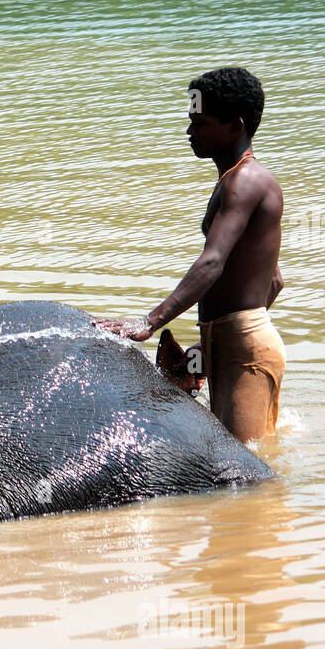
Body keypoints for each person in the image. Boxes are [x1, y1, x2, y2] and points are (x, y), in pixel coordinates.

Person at [95, 67, 285, 442]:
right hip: (236, 343)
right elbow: (274, 280)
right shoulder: (235, 179)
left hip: (244, 351)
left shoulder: (245, 182)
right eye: (190, 121)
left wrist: (149, 322)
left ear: (235, 126)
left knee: (244, 476)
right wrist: (208, 346)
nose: (189, 132)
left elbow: (212, 262)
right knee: (248, 456)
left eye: (200, 123)